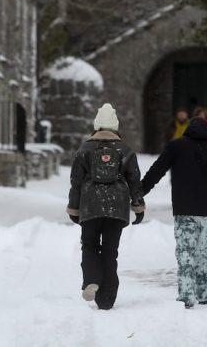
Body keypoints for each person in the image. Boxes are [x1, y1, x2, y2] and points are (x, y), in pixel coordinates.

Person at [141, 117, 207, 309]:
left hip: (184, 211)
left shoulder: (176, 147)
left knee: (186, 254)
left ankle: (187, 295)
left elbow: (157, 170)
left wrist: (140, 191)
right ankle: (206, 294)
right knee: (203, 253)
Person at [66, 103, 146, 310]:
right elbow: (135, 181)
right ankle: (107, 299)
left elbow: (75, 182)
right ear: (116, 127)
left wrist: (74, 209)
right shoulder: (125, 150)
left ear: (96, 126)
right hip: (117, 208)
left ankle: (91, 279)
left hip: (90, 206)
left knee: (90, 246)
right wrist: (138, 206)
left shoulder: (84, 150)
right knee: (110, 251)